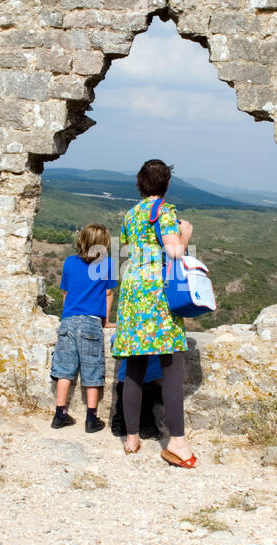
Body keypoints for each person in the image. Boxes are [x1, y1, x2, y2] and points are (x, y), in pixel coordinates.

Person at [112, 158, 196, 467]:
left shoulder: (130, 215)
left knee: (135, 364)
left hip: (133, 293)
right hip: (157, 294)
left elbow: (126, 248)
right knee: (171, 362)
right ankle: (177, 441)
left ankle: (131, 437)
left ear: (140, 184)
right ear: (166, 184)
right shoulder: (164, 211)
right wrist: (185, 233)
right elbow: (174, 251)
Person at [50, 223, 117, 432]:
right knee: (92, 369)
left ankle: (60, 413)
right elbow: (108, 294)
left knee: (64, 369)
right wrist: (105, 321)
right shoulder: (108, 265)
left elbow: (66, 293)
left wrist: (68, 313)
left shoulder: (69, 262)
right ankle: (91, 418)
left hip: (68, 320)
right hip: (91, 321)